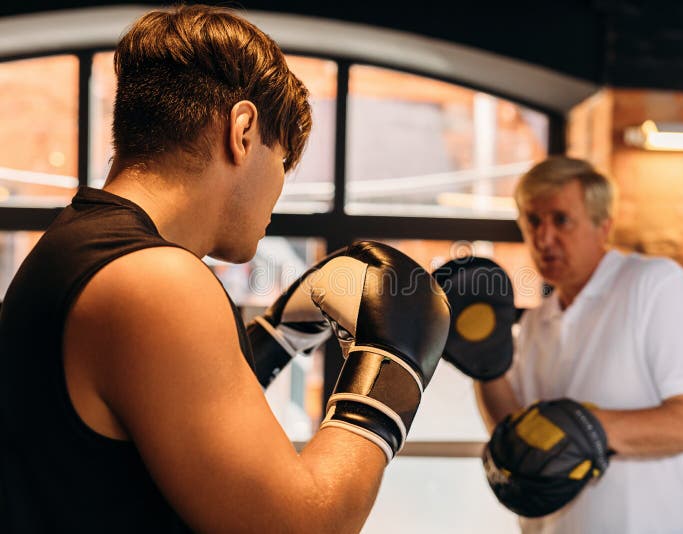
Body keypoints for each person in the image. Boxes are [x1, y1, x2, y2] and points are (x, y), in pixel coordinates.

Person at [0, 5, 450, 533]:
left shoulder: (78, 246)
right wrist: (389, 371)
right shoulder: (157, 283)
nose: (278, 194)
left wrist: (273, 340)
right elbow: (304, 527)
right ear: (242, 130)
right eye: (282, 161)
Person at [475, 156, 683, 534]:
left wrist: (591, 428)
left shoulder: (655, 285)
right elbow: (520, 439)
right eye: (533, 221)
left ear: (603, 225)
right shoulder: (534, 323)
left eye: (561, 219)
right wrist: (483, 363)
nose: (544, 238)